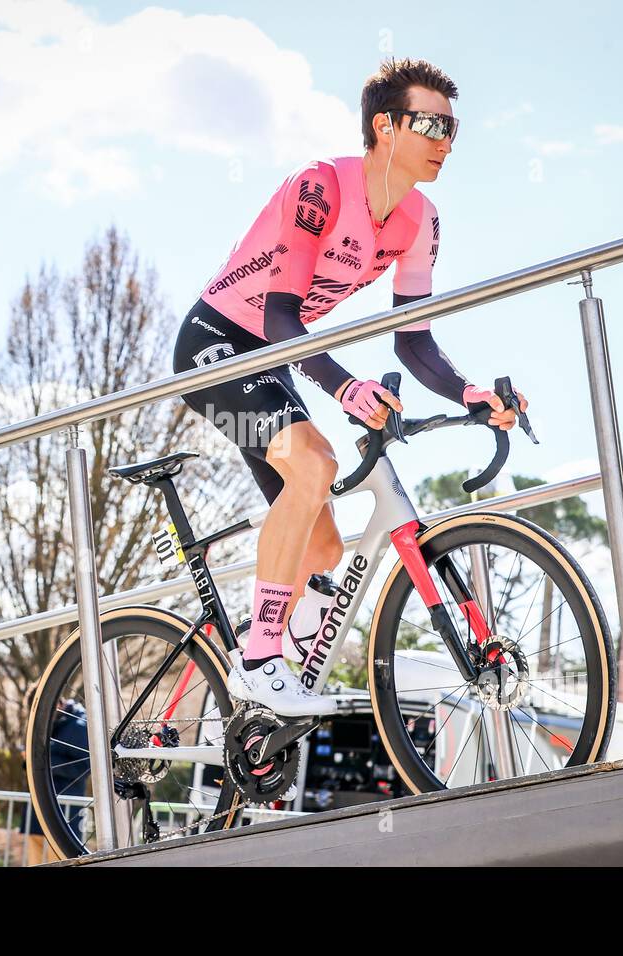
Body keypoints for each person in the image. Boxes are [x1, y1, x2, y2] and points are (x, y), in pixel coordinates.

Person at [172, 58, 528, 717]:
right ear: (385, 127)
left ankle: (257, 684)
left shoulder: (421, 220)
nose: (445, 141)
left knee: (326, 546)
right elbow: (281, 315)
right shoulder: (320, 188)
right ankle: (259, 659)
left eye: (454, 127)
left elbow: (412, 340)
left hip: (277, 356)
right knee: (316, 464)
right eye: (431, 124)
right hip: (217, 345)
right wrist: (344, 389)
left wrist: (470, 392)